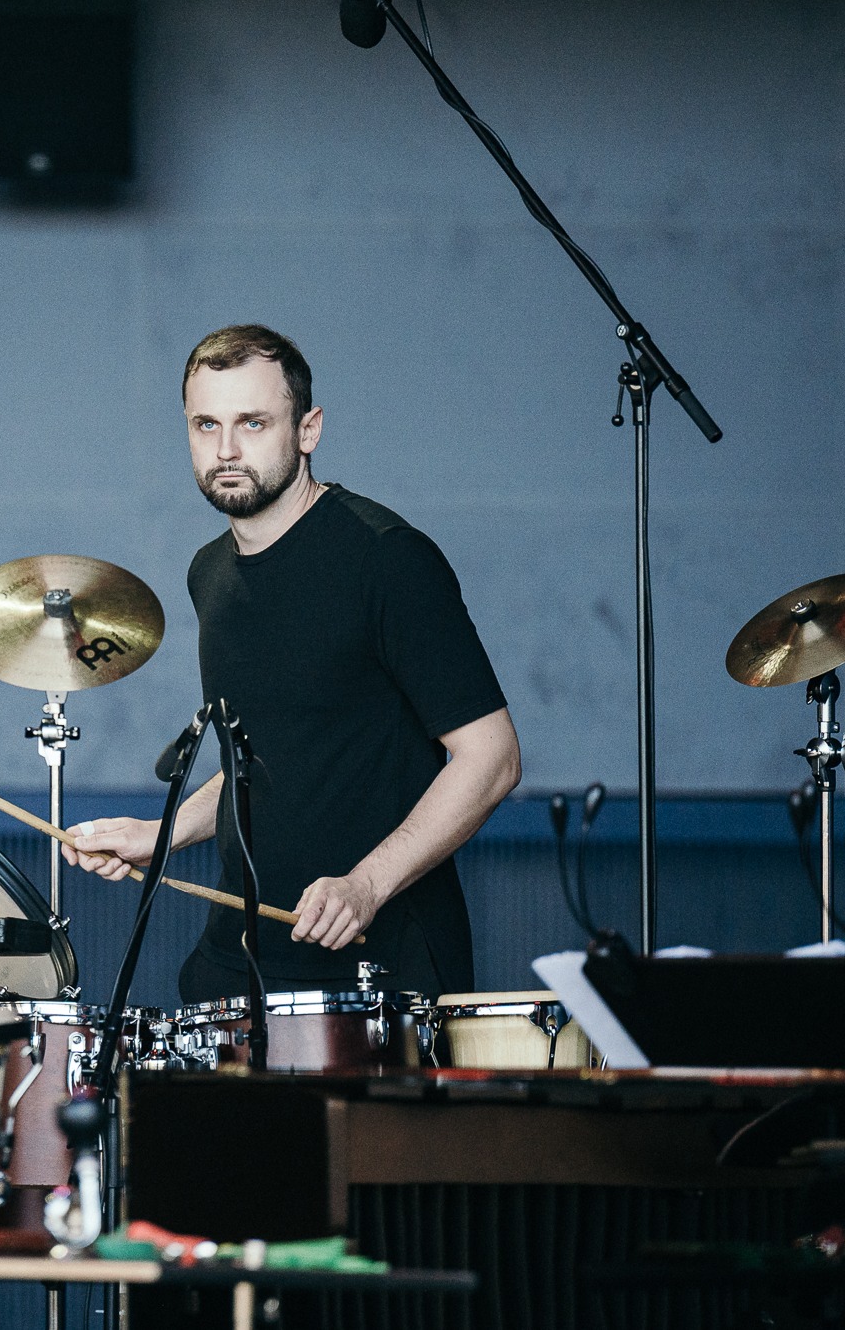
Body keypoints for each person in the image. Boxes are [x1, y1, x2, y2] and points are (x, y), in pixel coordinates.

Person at [63, 324, 520, 1001]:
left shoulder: (387, 559)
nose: (226, 449)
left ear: (309, 429)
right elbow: (263, 757)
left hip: (377, 964)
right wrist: (162, 835)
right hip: (242, 955)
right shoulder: (210, 573)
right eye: (206, 424)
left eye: (253, 423)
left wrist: (367, 884)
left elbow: (492, 758)